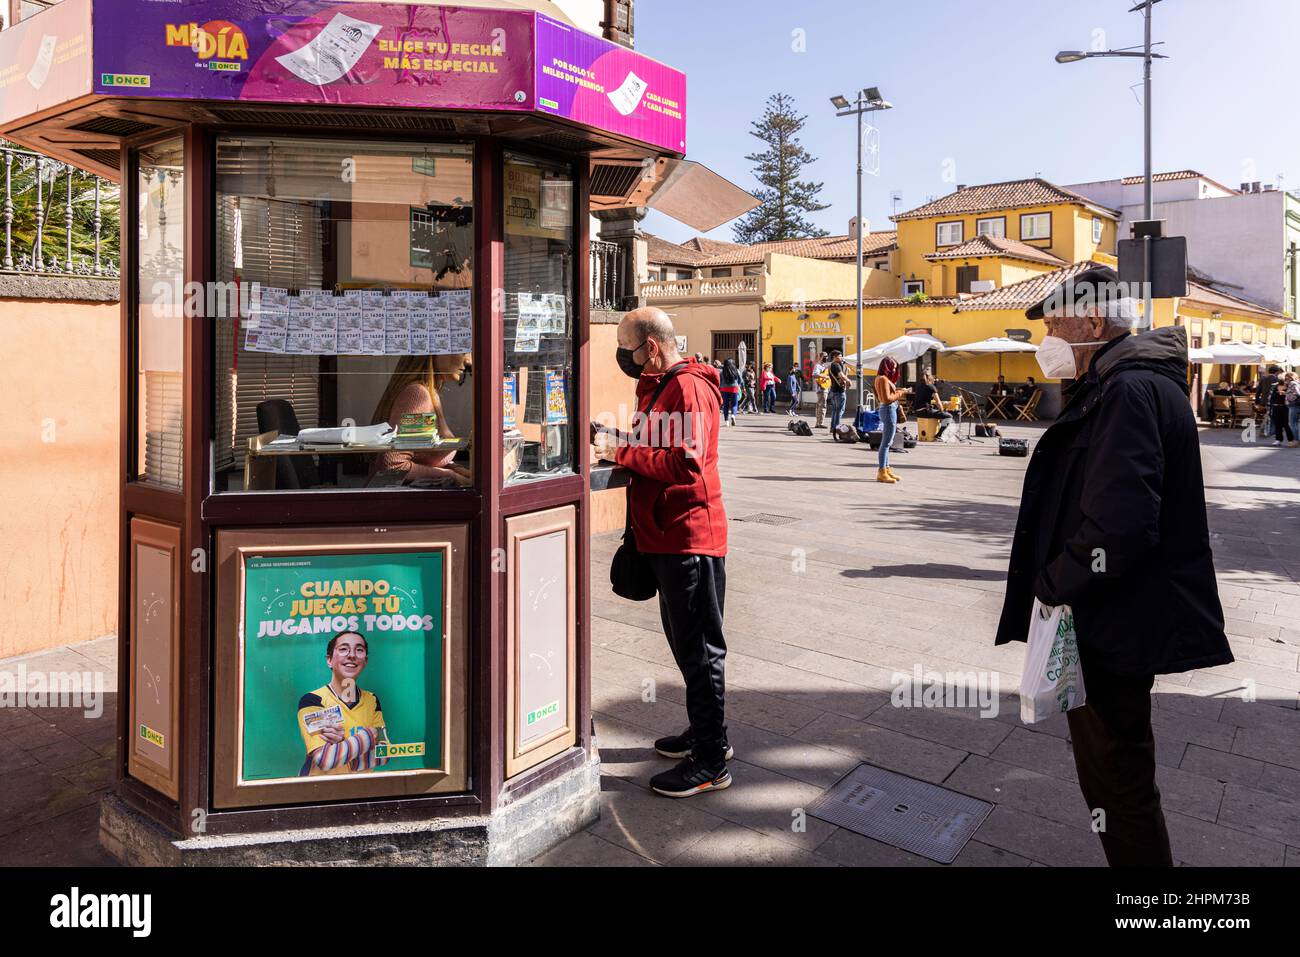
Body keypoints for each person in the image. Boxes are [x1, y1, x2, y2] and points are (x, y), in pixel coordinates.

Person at [997, 265, 1231, 868]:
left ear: (1093, 321)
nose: (1047, 339)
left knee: (1117, 783)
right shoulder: (1129, 384)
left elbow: (1120, 524)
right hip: (1120, 619)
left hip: (1114, 627)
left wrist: (1054, 584)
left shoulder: (1127, 390)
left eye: (1054, 325)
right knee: (1117, 777)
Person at [592, 307, 732, 797]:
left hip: (688, 536)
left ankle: (712, 761)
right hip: (665, 536)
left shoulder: (687, 388)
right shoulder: (659, 386)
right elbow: (659, 444)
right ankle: (706, 733)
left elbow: (686, 464)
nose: (624, 361)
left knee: (700, 650)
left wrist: (620, 452)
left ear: (651, 346)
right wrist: (619, 440)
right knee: (685, 643)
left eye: (627, 349)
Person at [296, 632, 390, 777]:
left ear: (365, 661)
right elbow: (325, 760)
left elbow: (384, 754)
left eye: (359, 650)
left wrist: (342, 744)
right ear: (329, 660)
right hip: (319, 791)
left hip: (360, 790)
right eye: (343, 649)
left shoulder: (372, 700)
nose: (352, 655)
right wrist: (371, 735)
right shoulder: (313, 700)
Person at [371, 354, 472, 485]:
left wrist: (455, 469)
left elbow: (421, 456)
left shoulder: (428, 392)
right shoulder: (418, 395)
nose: (469, 360)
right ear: (434, 352)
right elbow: (394, 465)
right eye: (462, 350)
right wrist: (451, 475)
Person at [873, 357, 910, 483]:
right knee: (886, 443)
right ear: (886, 366)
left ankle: (886, 469)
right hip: (888, 409)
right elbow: (887, 399)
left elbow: (884, 397)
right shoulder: (883, 379)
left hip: (887, 409)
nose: (894, 369)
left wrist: (898, 390)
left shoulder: (880, 378)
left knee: (888, 442)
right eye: (892, 367)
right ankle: (882, 471)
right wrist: (901, 393)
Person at [1269, 370, 1295, 446]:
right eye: (1280, 379)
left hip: (1286, 407)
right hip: (1276, 407)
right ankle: (1278, 440)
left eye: (1283, 379)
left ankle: (1290, 440)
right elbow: (1270, 397)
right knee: (1277, 424)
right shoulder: (1274, 386)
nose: (1281, 380)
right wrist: (1270, 406)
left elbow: (1293, 395)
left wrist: (1285, 393)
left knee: (1286, 424)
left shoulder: (1289, 386)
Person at [827, 350, 849, 431]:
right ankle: (836, 428)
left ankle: (833, 428)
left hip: (833, 390)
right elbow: (842, 376)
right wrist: (849, 381)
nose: (841, 357)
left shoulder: (831, 365)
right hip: (839, 391)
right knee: (840, 411)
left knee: (835, 411)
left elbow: (840, 377)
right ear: (835, 357)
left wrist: (846, 371)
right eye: (840, 356)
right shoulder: (836, 365)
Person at [718, 358, 741, 426]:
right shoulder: (736, 371)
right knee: (734, 404)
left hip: (724, 389)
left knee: (725, 405)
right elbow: (740, 380)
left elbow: (720, 381)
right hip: (734, 388)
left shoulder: (722, 372)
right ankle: (733, 415)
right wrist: (738, 385)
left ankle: (726, 421)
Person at [813, 352, 830, 428]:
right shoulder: (818, 366)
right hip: (821, 388)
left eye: (827, 356)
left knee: (820, 406)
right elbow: (814, 375)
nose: (826, 357)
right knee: (822, 406)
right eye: (824, 356)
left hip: (824, 387)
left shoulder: (824, 366)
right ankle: (820, 423)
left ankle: (818, 423)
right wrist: (825, 377)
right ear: (820, 357)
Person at [1284, 371, 1300, 447]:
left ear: (1290, 377)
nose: (1285, 379)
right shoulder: (1297, 382)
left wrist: (1289, 398)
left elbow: (1297, 393)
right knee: (1295, 423)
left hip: (1294, 405)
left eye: (1286, 377)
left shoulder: (1292, 383)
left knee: (1292, 423)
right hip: (1296, 405)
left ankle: (1296, 441)